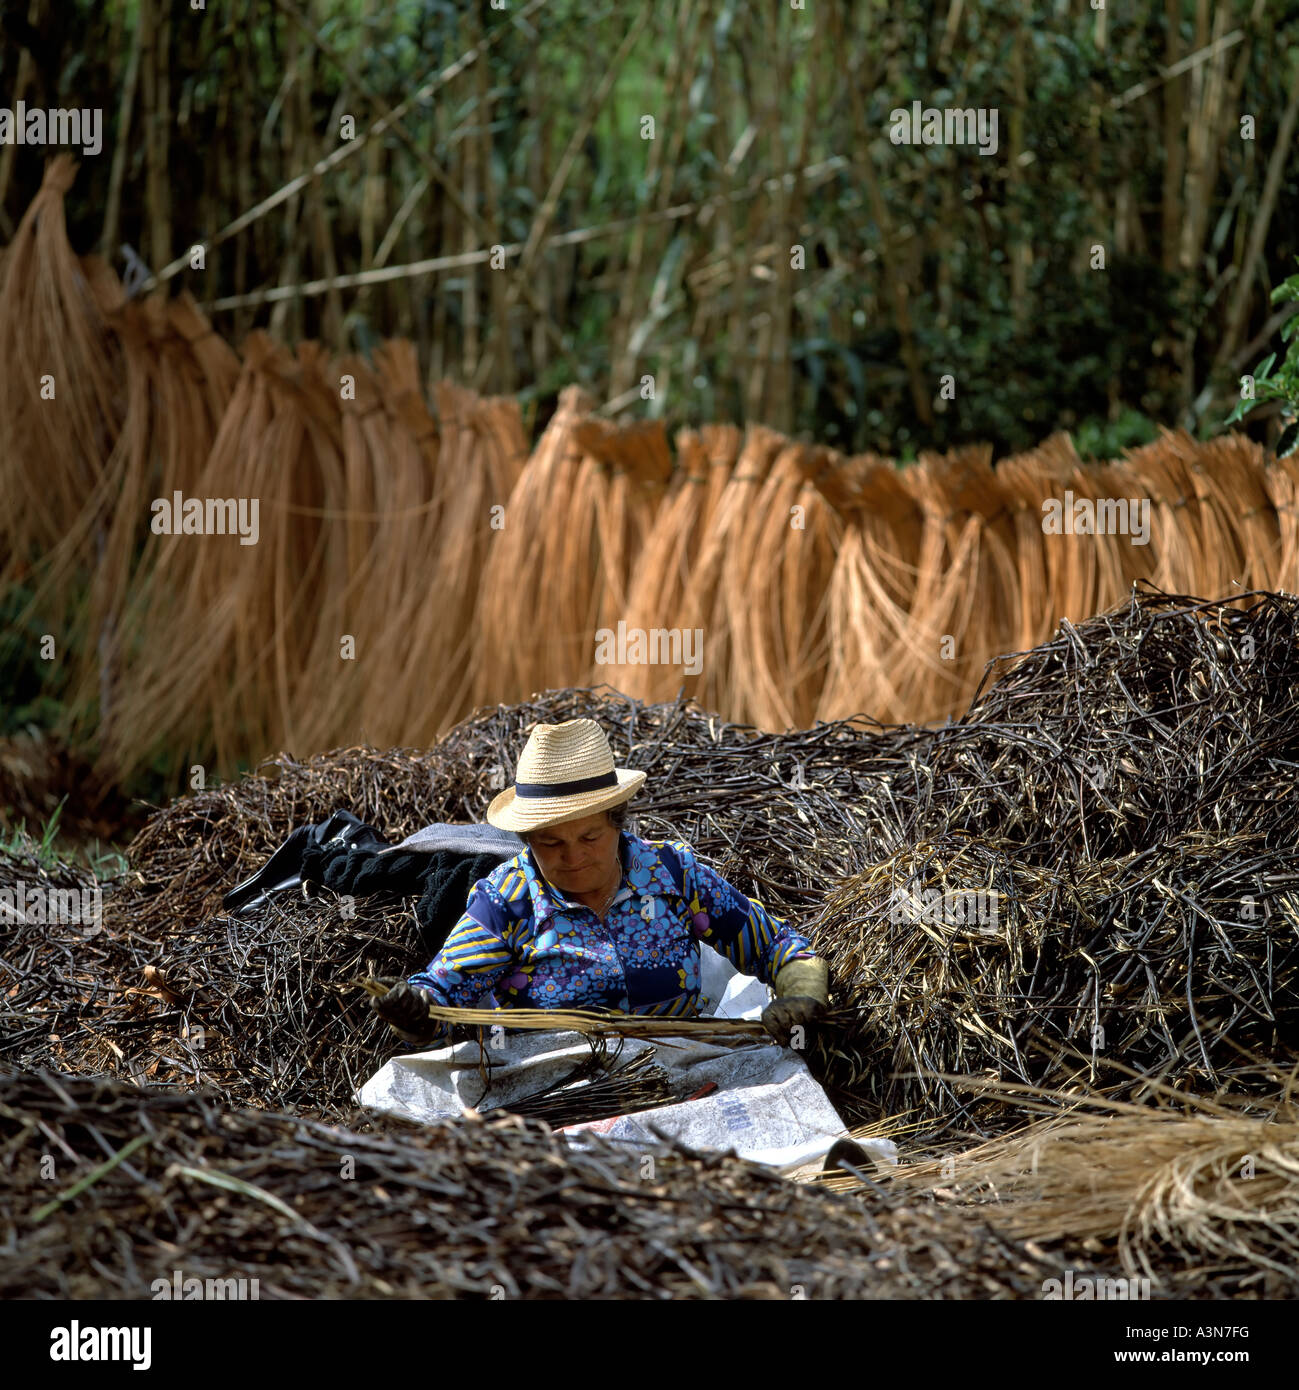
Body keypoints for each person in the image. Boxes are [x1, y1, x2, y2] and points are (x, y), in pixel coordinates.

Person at [370, 717, 829, 1048]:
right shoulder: (507, 903)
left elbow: (775, 946)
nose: (574, 857)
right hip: (555, 1093)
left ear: (618, 823)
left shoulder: (672, 876)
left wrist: (801, 991)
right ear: (528, 841)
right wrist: (414, 1011)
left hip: (682, 1070)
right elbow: (446, 998)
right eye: (550, 844)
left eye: (590, 836)